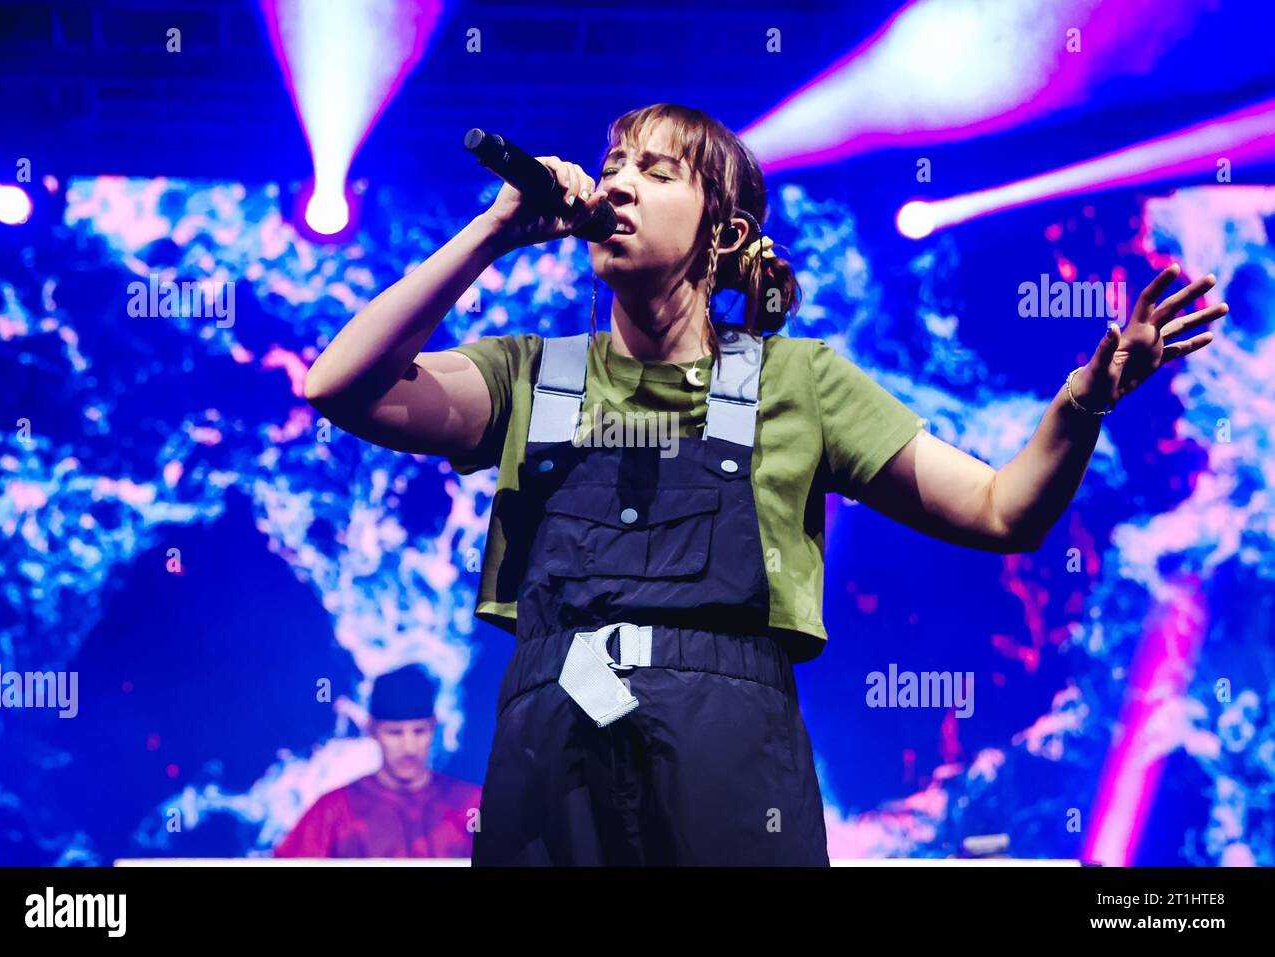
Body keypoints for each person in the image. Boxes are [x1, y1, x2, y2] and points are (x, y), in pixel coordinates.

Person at [302, 103, 1226, 865]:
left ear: (725, 229)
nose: (618, 180)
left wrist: (1083, 400)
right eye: (615, 161)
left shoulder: (800, 382)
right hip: (551, 762)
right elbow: (338, 384)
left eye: (659, 172)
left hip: (730, 765)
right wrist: (495, 230)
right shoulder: (527, 374)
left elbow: (1001, 510)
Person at [273, 664, 481, 859]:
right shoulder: (333, 813)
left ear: (434, 726)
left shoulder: (472, 805)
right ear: (372, 729)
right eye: (395, 733)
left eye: (419, 731)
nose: (409, 747)